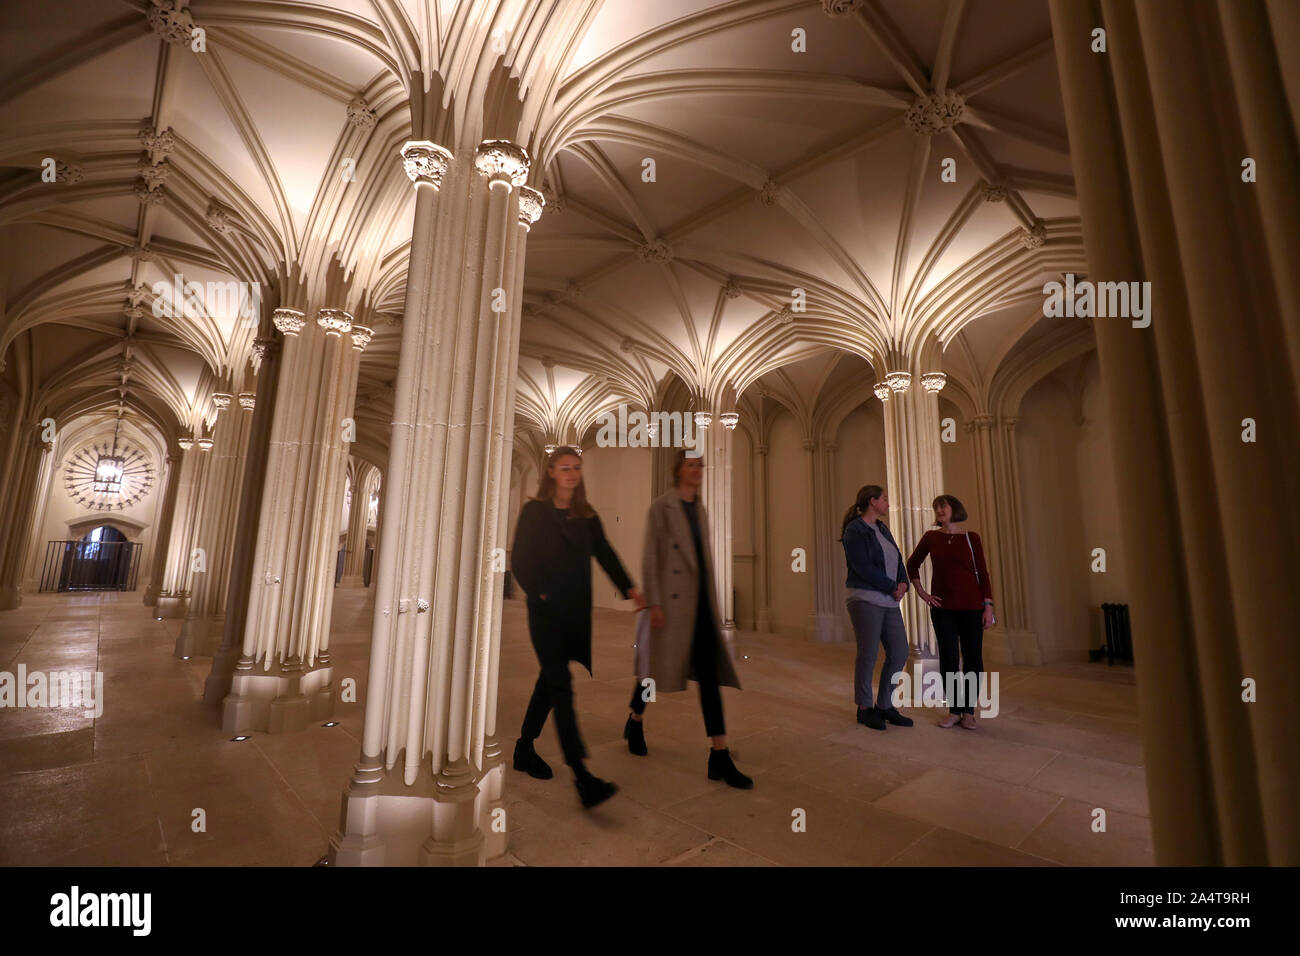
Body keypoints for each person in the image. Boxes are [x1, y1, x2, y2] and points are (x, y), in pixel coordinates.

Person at [510, 447, 645, 808]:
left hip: (574, 614)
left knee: (549, 681)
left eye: (577, 468)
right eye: (565, 468)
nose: (572, 473)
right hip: (545, 613)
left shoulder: (586, 515)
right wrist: (539, 591)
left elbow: (605, 553)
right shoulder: (535, 512)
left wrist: (630, 587)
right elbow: (519, 559)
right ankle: (582, 776)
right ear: (551, 472)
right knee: (562, 687)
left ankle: (524, 747)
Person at [630, 448, 752, 789]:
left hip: (700, 607)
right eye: (691, 465)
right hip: (670, 606)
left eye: (700, 465)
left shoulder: (700, 509)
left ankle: (719, 755)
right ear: (678, 470)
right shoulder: (662, 507)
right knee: (653, 672)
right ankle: (635, 719)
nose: (697, 470)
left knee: (709, 677)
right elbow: (650, 557)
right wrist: (653, 603)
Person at [905, 494, 995, 730]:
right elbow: (912, 564)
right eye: (936, 507)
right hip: (943, 609)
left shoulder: (971, 538)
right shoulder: (931, 537)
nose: (939, 510)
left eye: (943, 506)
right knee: (948, 659)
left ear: (954, 508)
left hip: (973, 608)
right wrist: (922, 593)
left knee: (973, 659)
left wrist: (988, 606)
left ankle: (969, 711)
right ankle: (954, 710)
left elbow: (983, 573)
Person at [840, 485, 913, 731]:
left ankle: (884, 705)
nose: (888, 503)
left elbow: (897, 558)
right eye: (884, 499)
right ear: (872, 501)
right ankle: (864, 707)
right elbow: (862, 566)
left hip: (888, 599)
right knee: (868, 653)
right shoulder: (855, 529)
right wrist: (891, 586)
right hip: (865, 598)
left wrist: (903, 583)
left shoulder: (882, 528)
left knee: (900, 651)